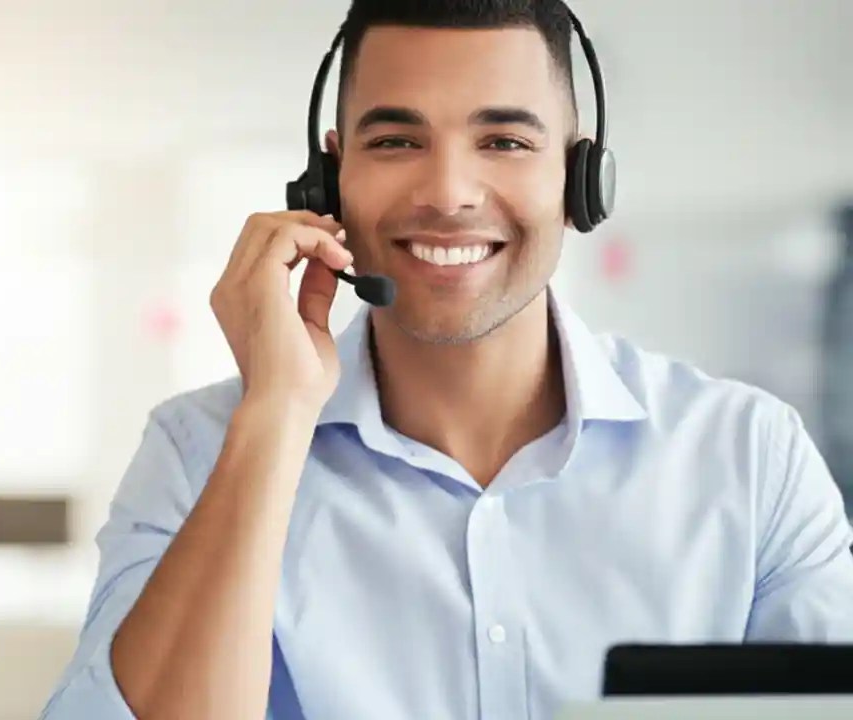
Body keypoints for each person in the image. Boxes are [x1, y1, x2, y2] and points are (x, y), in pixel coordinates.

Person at [41, 1, 853, 718]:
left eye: (504, 140)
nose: (448, 192)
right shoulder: (197, 452)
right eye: (397, 140)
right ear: (329, 178)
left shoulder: (750, 458)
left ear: (579, 176)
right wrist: (277, 417)